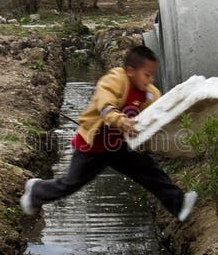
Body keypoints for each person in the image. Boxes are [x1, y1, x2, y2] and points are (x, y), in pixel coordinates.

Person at [20, 45, 197, 221]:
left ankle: (179, 205)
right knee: (71, 183)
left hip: (121, 147)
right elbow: (104, 105)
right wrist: (120, 120)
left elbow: (158, 116)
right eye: (147, 75)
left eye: (152, 75)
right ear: (130, 71)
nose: (150, 80)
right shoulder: (114, 80)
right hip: (93, 146)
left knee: (151, 172)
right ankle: (36, 191)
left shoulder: (150, 94)